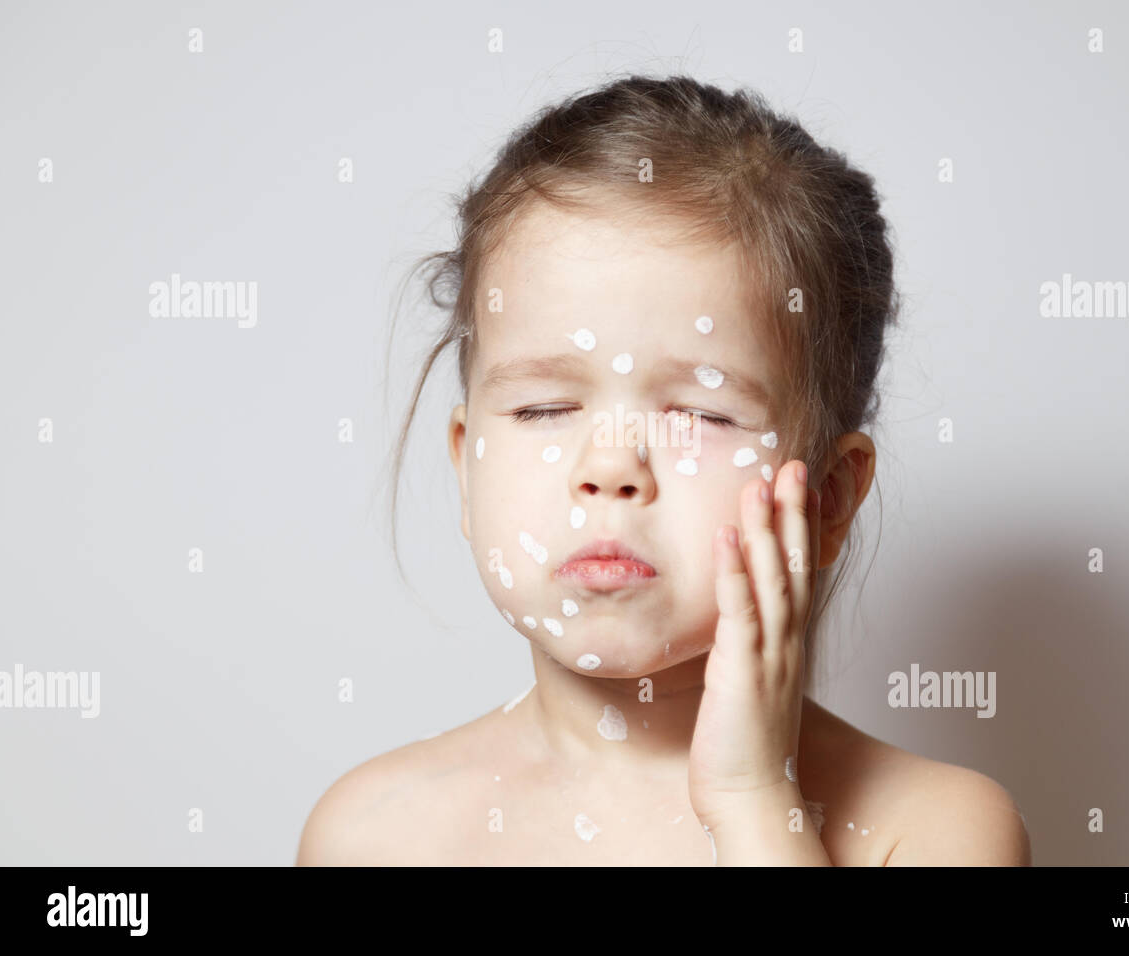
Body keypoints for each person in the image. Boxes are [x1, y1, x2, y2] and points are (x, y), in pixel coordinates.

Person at [297, 74, 1030, 865]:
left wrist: (755, 801)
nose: (609, 468)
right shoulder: (376, 834)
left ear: (828, 499)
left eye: (702, 416)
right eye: (543, 409)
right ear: (466, 466)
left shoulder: (932, 830)